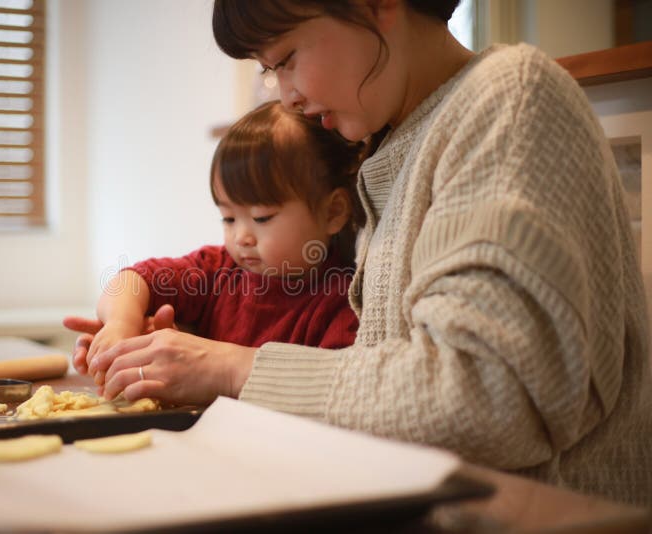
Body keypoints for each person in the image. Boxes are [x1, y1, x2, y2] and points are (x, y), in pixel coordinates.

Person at [68, 0, 652, 506]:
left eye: (287, 58)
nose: (285, 95)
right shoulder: (394, 142)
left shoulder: (509, 99)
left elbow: (488, 396)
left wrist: (226, 366)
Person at [69, 100, 364, 393]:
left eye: (262, 217)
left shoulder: (343, 302)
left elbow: (330, 392)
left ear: (332, 213)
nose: (241, 237)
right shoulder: (216, 269)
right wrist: (120, 327)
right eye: (229, 218)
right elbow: (131, 281)